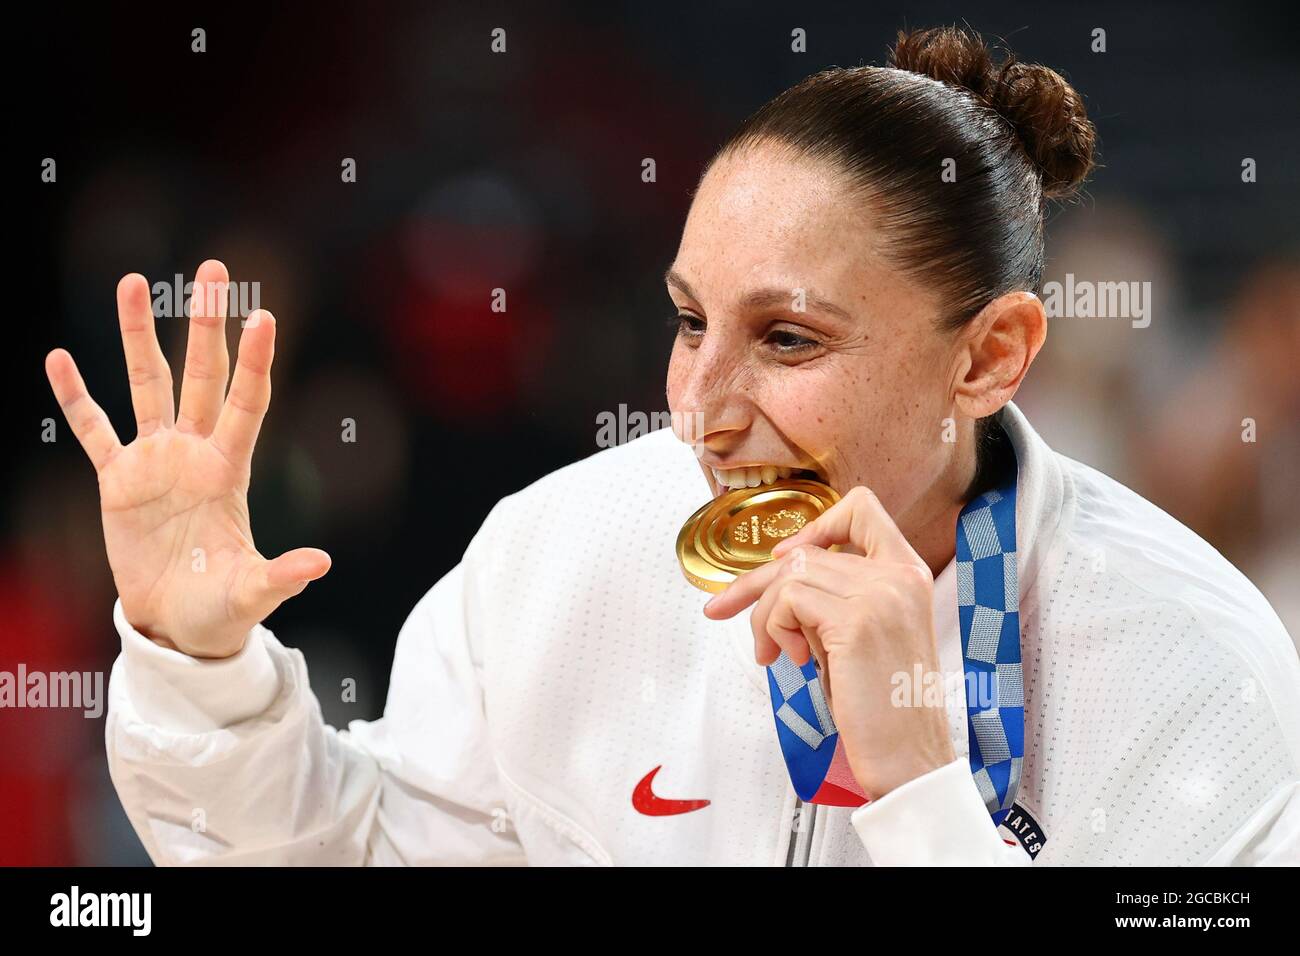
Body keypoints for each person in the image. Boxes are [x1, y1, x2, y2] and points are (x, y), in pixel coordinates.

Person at [44, 26, 1298, 865]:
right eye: (690, 320)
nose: (703, 404)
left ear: (990, 354)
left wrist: (921, 790)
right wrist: (199, 664)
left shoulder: (1193, 668)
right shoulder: (557, 556)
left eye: (790, 339)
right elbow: (361, 853)